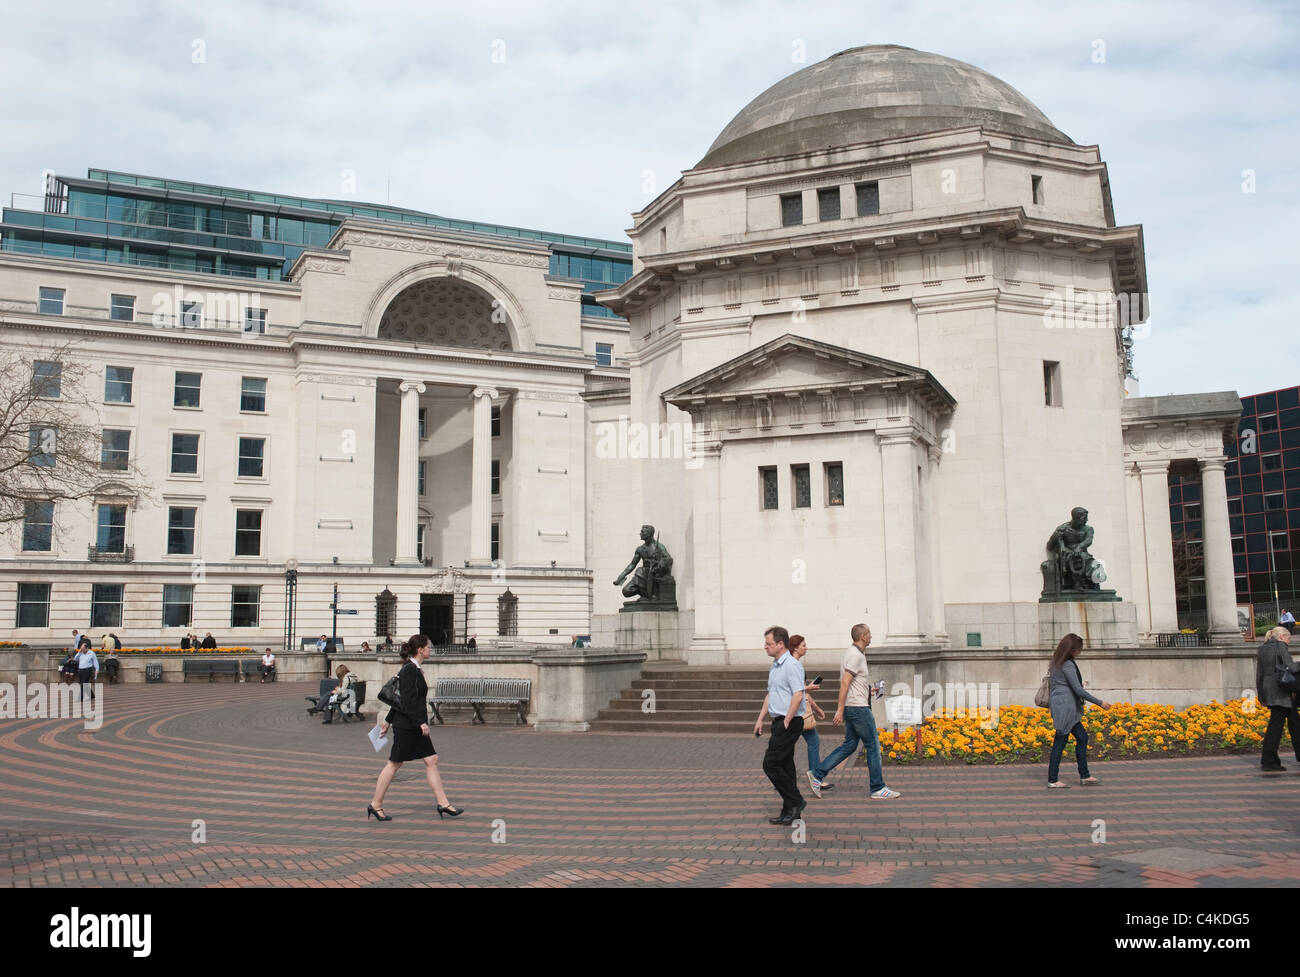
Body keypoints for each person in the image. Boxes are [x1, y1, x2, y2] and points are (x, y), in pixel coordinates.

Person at [368, 634, 464, 822]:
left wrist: (388, 720)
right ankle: (375, 804)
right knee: (394, 763)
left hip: (411, 724)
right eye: (428, 647)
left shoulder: (413, 669)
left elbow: (399, 700)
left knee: (431, 760)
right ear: (420, 649)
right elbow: (408, 701)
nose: (430, 650)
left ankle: (443, 803)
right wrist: (420, 722)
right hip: (408, 726)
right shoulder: (410, 670)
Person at [807, 623, 900, 799]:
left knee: (849, 745)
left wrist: (868, 690)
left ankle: (817, 774)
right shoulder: (855, 655)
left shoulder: (853, 654)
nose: (871, 636)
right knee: (873, 745)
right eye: (869, 633)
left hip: (855, 705)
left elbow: (852, 682)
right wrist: (839, 710)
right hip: (858, 709)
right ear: (863, 636)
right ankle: (877, 787)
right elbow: (844, 682)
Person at [752, 625, 806, 826]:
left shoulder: (791, 665)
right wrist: (760, 719)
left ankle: (796, 801)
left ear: (780, 644)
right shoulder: (775, 666)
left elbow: (798, 693)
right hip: (779, 720)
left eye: (769, 643)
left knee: (770, 763)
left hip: (789, 721)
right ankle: (790, 811)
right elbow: (771, 694)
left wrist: (787, 719)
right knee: (785, 765)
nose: (765, 647)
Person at [1047, 632, 1112, 788]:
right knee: (1060, 742)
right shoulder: (1067, 664)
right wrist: (1100, 702)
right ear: (1072, 650)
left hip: (1060, 705)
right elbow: (1078, 690)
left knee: (1082, 737)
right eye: (1078, 650)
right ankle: (1053, 779)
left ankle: (1084, 775)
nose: (1079, 652)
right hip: (1066, 708)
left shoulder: (1055, 662)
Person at [786, 635, 832, 794]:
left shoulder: (795, 664)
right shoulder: (792, 665)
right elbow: (795, 691)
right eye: (804, 645)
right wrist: (809, 688)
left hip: (799, 712)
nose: (806, 647)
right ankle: (813, 777)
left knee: (812, 741)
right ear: (796, 647)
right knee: (788, 746)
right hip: (793, 713)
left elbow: (802, 691)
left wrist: (816, 707)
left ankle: (814, 777)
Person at [1256, 626, 1300, 771]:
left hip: (1270, 691)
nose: (1289, 641)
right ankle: (1268, 761)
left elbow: (1259, 675)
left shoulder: (1262, 649)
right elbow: (1290, 667)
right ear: (1281, 637)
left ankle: (1269, 760)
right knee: (1279, 726)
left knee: (1293, 724)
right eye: (1288, 638)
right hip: (1282, 692)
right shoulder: (1280, 646)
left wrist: (1261, 696)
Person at [74, 637, 99, 702]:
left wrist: (97, 670)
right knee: (84, 684)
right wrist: (79, 653)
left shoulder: (92, 653)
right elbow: (75, 659)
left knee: (83, 684)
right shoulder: (80, 653)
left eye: (83, 649)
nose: (82, 650)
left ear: (87, 648)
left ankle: (80, 698)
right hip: (81, 670)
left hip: (88, 670)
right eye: (81, 649)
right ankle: (92, 695)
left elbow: (95, 662)